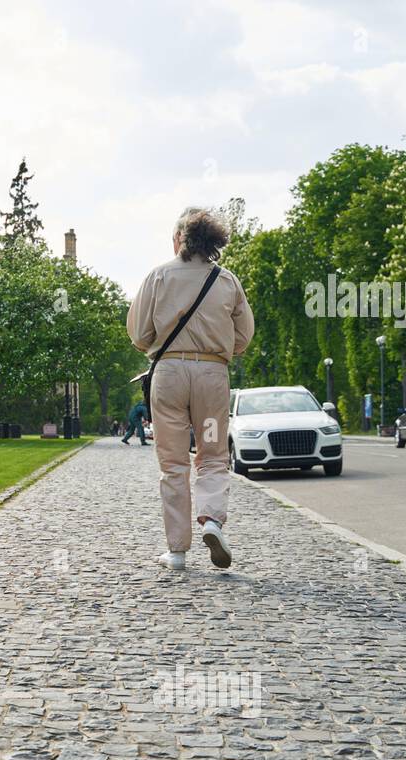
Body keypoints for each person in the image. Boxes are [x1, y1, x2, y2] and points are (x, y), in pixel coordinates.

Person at [128, 207, 255, 571]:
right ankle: (212, 519)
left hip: (169, 377)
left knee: (173, 463)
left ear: (179, 240)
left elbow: (139, 334)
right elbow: (244, 336)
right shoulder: (227, 280)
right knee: (213, 453)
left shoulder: (158, 276)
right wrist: (216, 348)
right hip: (212, 377)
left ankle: (177, 551)